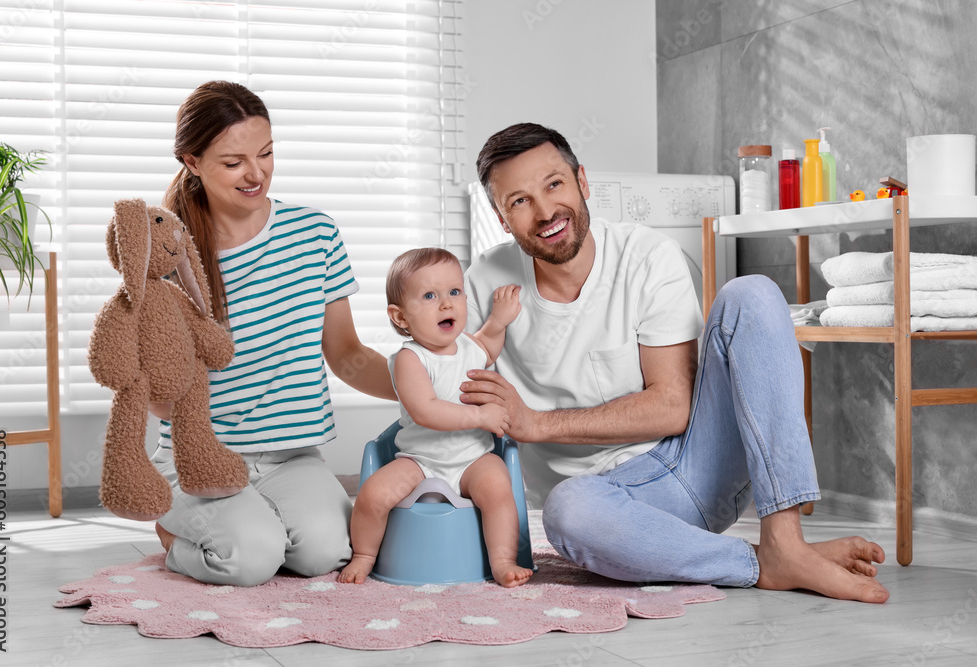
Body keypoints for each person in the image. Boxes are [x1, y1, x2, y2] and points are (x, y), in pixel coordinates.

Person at [460, 122, 890, 604]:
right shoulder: (484, 281)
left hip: (692, 469)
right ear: (502, 219)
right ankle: (765, 560)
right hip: (606, 509)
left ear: (582, 182)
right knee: (568, 510)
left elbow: (672, 406)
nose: (545, 212)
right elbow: (433, 378)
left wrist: (535, 423)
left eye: (554, 184)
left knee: (752, 293)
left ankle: (785, 540)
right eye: (519, 201)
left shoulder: (648, 257)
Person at [148, 80, 396, 587]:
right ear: (192, 162)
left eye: (265, 153)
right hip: (200, 458)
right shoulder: (169, 253)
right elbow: (157, 397)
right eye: (233, 162)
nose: (256, 173)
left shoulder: (316, 234)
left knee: (327, 553)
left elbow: (346, 353)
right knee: (249, 561)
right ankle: (176, 531)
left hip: (292, 456)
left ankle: (254, 521)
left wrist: (425, 386)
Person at [338, 248, 533, 587]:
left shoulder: (469, 346)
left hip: (473, 458)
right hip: (419, 460)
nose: (446, 304)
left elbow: (488, 342)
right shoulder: (409, 359)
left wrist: (499, 319)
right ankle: (365, 555)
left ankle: (503, 560)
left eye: (454, 292)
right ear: (400, 317)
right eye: (430, 296)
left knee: (498, 490)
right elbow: (425, 410)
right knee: (372, 495)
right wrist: (479, 415)